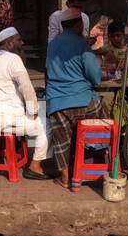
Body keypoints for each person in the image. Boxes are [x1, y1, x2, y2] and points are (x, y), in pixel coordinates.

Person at [0, 27, 51, 180]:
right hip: (6, 118)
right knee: (47, 126)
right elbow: (27, 89)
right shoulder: (13, 59)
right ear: (9, 43)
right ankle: (35, 166)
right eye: (19, 40)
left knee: (37, 120)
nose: (22, 43)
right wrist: (33, 112)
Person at [44, 10, 103, 186]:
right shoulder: (81, 45)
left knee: (61, 140)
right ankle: (95, 165)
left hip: (57, 103)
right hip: (83, 102)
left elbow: (48, 69)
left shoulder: (52, 44)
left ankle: (65, 178)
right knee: (104, 114)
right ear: (79, 25)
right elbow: (96, 77)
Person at [98, 21, 128, 126]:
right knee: (107, 104)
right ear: (109, 36)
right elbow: (93, 52)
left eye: (118, 35)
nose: (116, 39)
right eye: (112, 36)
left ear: (123, 35)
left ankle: (122, 129)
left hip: (126, 85)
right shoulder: (108, 49)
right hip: (111, 84)